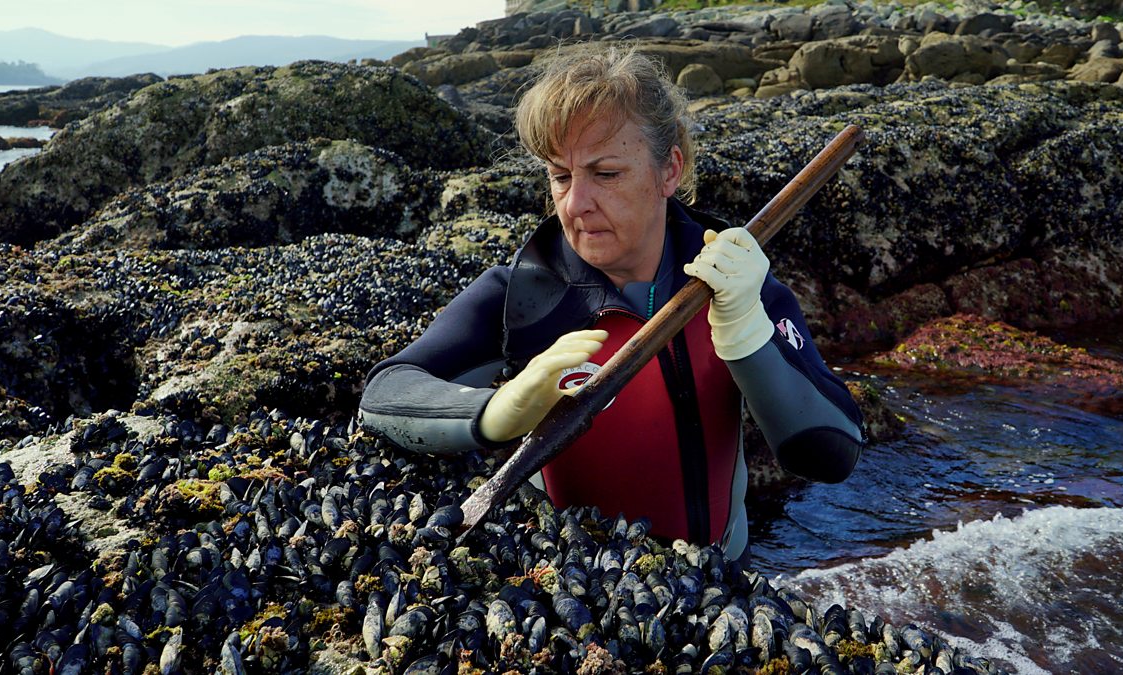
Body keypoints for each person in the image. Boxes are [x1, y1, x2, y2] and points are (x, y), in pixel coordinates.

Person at [359, 44, 864, 562]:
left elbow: (831, 454)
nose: (575, 203)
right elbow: (383, 395)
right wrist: (497, 410)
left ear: (669, 170)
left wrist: (746, 332)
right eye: (560, 176)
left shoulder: (735, 282)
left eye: (605, 174)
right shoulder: (523, 294)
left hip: (718, 582)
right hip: (574, 588)